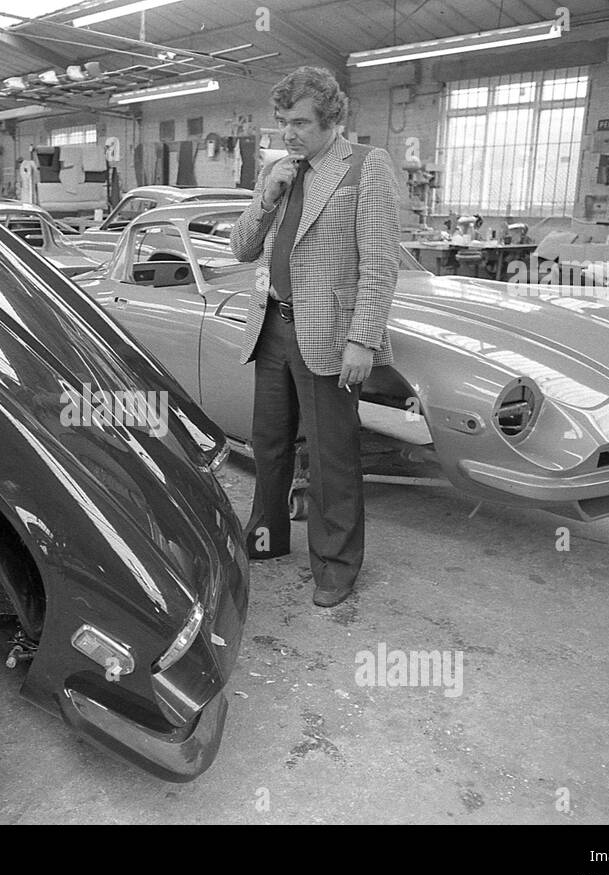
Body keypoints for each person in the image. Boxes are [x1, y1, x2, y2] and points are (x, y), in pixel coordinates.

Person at [230, 66, 400, 609]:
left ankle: (335, 565)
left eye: (300, 122)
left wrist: (363, 340)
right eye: (282, 122)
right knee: (270, 444)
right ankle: (267, 537)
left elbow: (380, 266)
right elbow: (241, 249)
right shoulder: (280, 171)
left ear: (332, 120)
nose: (290, 133)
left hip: (329, 334)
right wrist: (266, 195)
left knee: (331, 454)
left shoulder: (365, 169)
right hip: (273, 328)